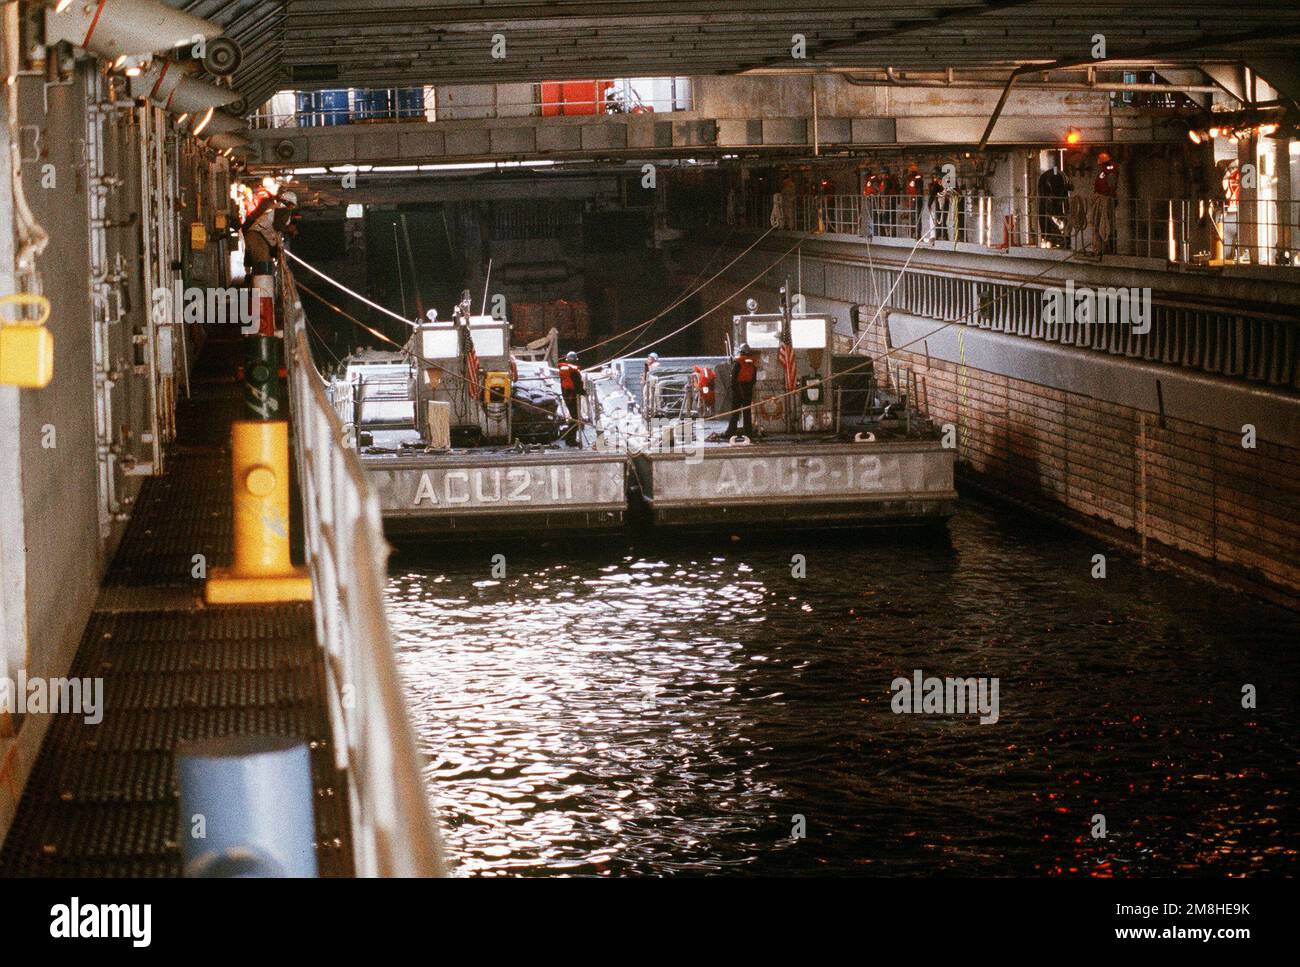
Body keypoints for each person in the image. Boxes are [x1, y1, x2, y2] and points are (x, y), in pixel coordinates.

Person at [724, 343, 757, 439]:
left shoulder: (738, 363)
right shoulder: (752, 364)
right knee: (747, 413)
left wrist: (734, 390)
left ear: (741, 352)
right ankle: (748, 432)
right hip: (748, 390)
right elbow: (754, 379)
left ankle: (731, 432)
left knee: (735, 412)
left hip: (738, 390)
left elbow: (733, 378)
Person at [558, 351, 585, 448]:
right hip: (572, 396)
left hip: (567, 396)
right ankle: (570, 440)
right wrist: (583, 392)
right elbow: (578, 385)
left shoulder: (564, 370)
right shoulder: (573, 371)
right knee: (576, 419)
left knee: (574, 418)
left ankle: (570, 439)